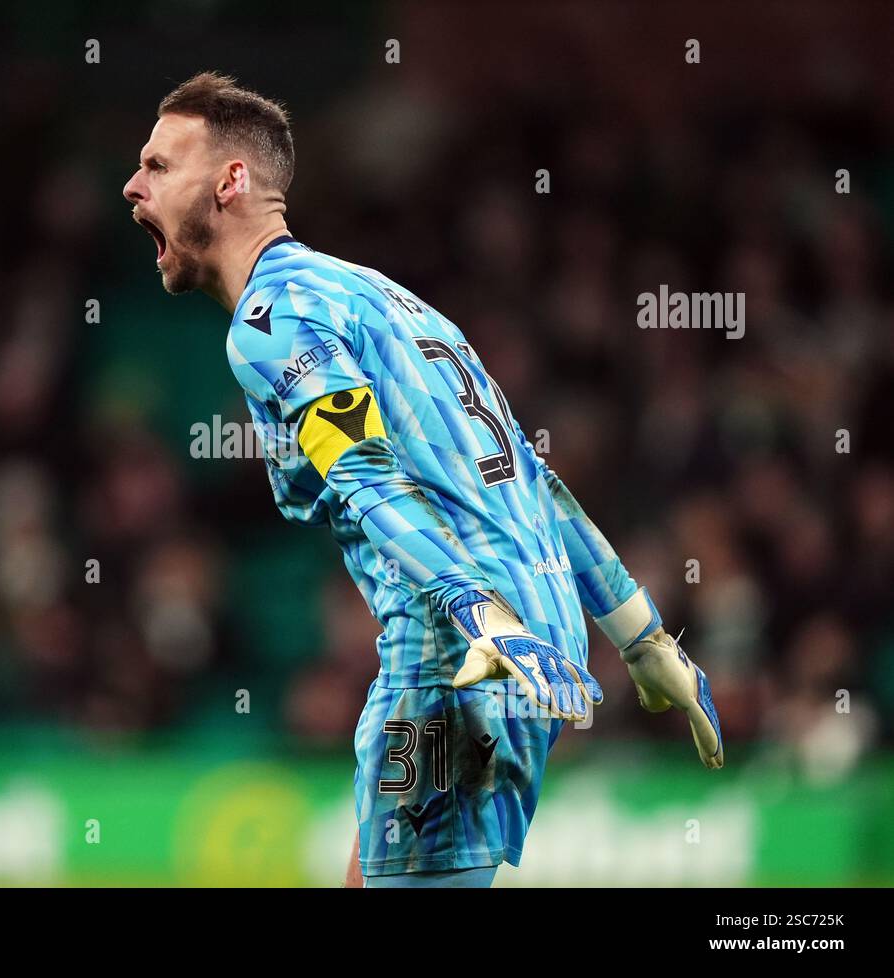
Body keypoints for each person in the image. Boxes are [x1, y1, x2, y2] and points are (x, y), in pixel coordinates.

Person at [123, 72, 723, 888]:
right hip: (524, 631)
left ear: (231, 182)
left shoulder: (272, 320)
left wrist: (475, 609)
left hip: (462, 646)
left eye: (159, 165)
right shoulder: (393, 302)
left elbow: (361, 471)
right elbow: (534, 482)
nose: (134, 185)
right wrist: (643, 635)